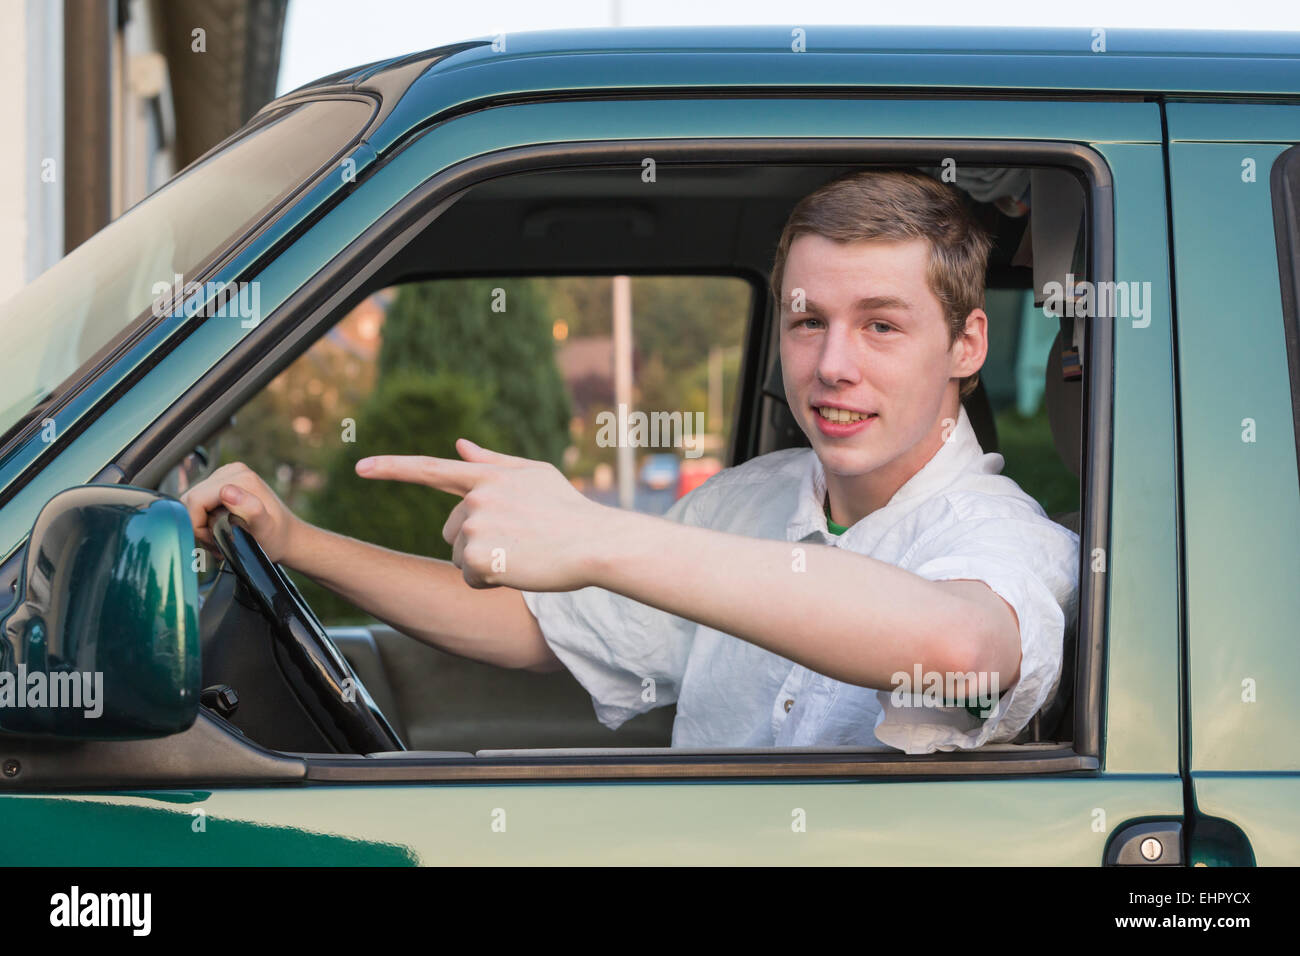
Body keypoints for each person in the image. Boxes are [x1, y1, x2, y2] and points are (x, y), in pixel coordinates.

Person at [181, 169, 1079, 754]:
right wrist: (297, 541)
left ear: (967, 345)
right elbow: (543, 629)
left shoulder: (1003, 537)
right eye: (809, 321)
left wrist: (598, 534)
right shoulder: (748, 501)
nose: (832, 364)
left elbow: (961, 648)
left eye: (881, 325)